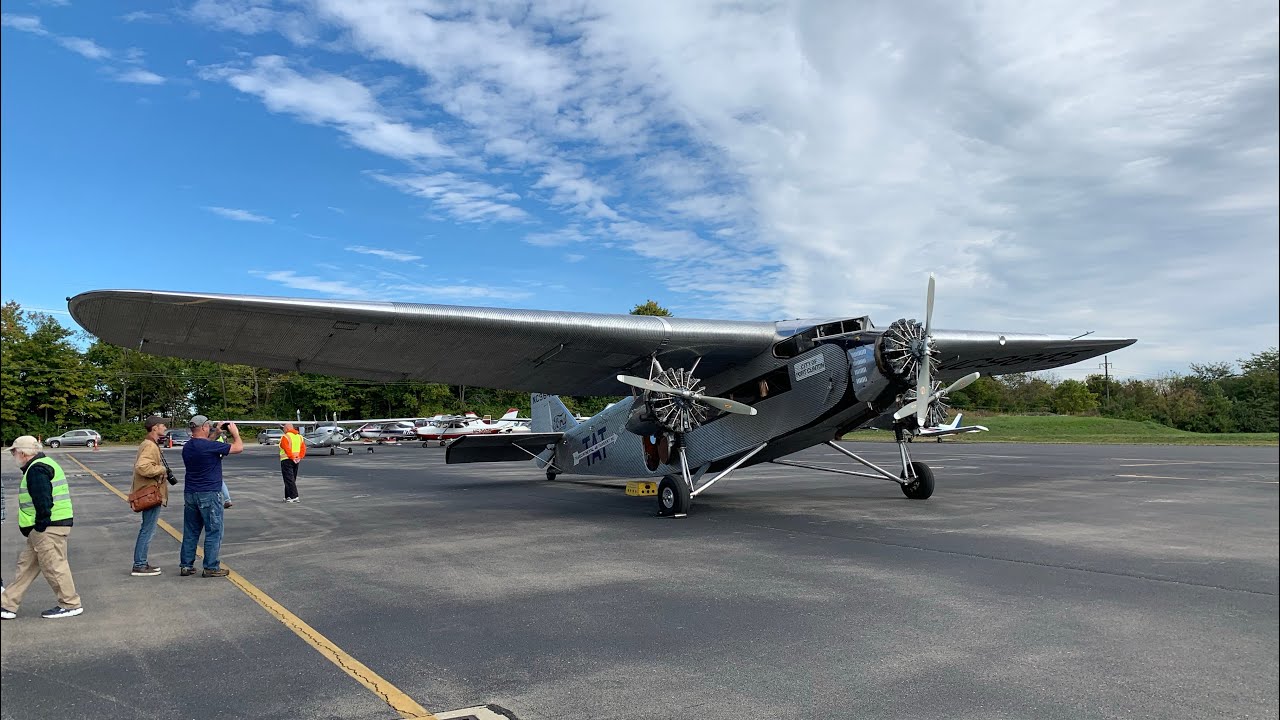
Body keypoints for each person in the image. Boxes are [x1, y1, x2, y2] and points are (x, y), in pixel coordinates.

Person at [1, 436, 83, 619]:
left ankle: (70, 604)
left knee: (54, 566)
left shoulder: (36, 470)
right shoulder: (43, 464)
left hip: (47, 528)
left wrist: (40, 526)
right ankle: (7, 605)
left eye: (14, 452)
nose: (13, 456)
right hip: (45, 528)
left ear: (23, 453)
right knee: (26, 567)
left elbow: (43, 501)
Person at [179, 416, 243, 578]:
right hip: (209, 493)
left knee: (191, 531)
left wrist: (216, 433)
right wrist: (235, 433)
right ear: (203, 427)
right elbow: (238, 448)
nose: (209, 428)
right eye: (208, 426)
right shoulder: (209, 446)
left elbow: (205, 444)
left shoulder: (188, 446)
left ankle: (186, 565)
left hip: (191, 492)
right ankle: (210, 566)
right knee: (214, 530)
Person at [130, 416, 172, 577]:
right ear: (155, 427)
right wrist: (161, 469)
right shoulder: (149, 445)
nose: (165, 428)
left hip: (149, 492)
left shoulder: (149, 443)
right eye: (163, 425)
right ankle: (139, 564)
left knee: (147, 528)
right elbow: (142, 467)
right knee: (148, 529)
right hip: (150, 493)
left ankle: (141, 562)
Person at [279, 423, 306, 503]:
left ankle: (294, 496)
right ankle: (288, 496)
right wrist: (300, 457)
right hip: (296, 460)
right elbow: (303, 448)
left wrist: (291, 457)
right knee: (292, 478)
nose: (283, 430)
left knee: (288, 479)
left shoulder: (285, 437)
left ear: (287, 429)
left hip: (286, 459)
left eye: (284, 428)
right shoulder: (299, 437)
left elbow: (286, 448)